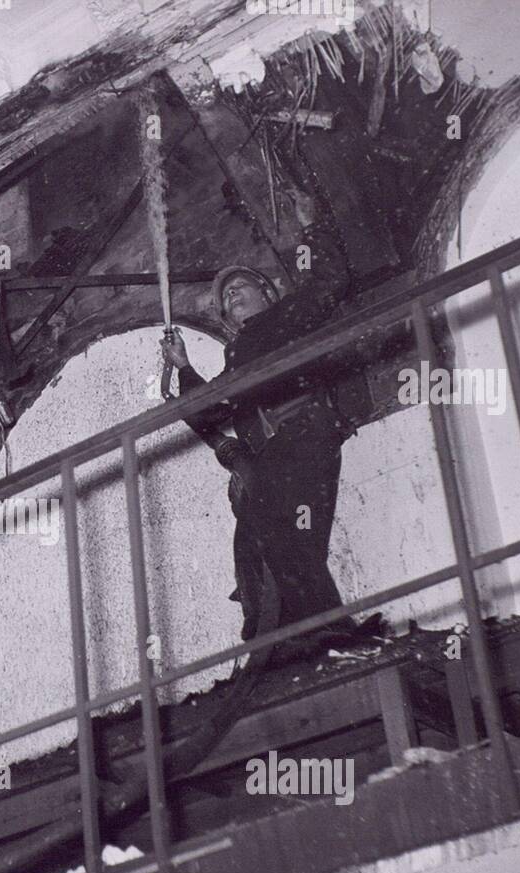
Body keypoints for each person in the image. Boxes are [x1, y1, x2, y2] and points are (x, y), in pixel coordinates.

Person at [161, 187, 368, 661]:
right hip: (276, 453)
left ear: (269, 294)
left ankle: (319, 634)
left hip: (302, 433)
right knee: (273, 539)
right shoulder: (239, 355)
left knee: (283, 534)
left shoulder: (287, 317)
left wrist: (312, 224)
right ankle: (296, 636)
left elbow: (330, 282)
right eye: (226, 296)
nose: (231, 295)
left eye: (240, 288)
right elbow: (209, 410)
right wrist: (185, 367)